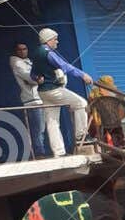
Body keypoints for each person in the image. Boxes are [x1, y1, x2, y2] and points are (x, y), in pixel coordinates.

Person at [34, 28, 91, 156]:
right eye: (55, 39)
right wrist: (82, 75)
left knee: (52, 121)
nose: (57, 42)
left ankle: (59, 152)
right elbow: (65, 66)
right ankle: (81, 135)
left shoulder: (37, 52)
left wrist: (37, 78)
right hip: (53, 90)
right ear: (48, 40)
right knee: (81, 103)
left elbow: (33, 73)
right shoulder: (48, 53)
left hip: (43, 92)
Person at [8, 40, 47, 160]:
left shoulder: (29, 62)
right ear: (15, 51)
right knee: (37, 129)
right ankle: (39, 154)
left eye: (24, 49)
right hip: (31, 100)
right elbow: (31, 78)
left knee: (42, 128)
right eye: (19, 49)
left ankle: (39, 153)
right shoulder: (17, 62)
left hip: (40, 98)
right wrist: (39, 78)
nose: (22, 51)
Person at [88, 76, 125, 148]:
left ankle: (112, 144)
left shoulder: (94, 93)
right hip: (117, 121)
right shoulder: (117, 92)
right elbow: (124, 108)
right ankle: (122, 143)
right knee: (124, 121)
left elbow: (90, 107)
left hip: (101, 121)